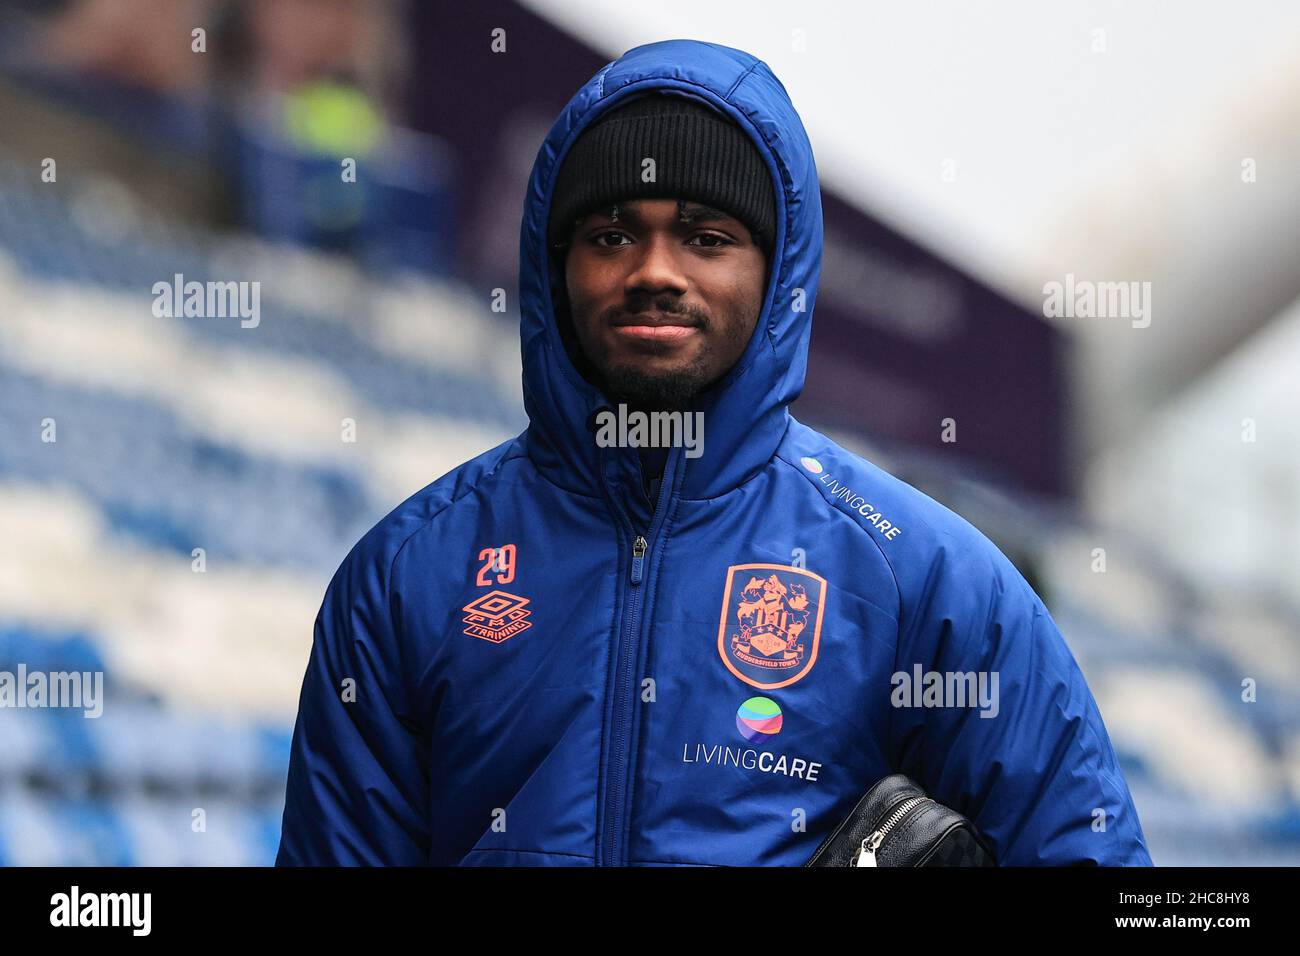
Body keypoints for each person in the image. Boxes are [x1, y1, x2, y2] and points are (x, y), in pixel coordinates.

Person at [276, 39, 1152, 866]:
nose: (656, 269)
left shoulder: (927, 580)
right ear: (556, 268)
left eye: (706, 236)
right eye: (613, 234)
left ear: (778, 275)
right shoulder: (406, 575)